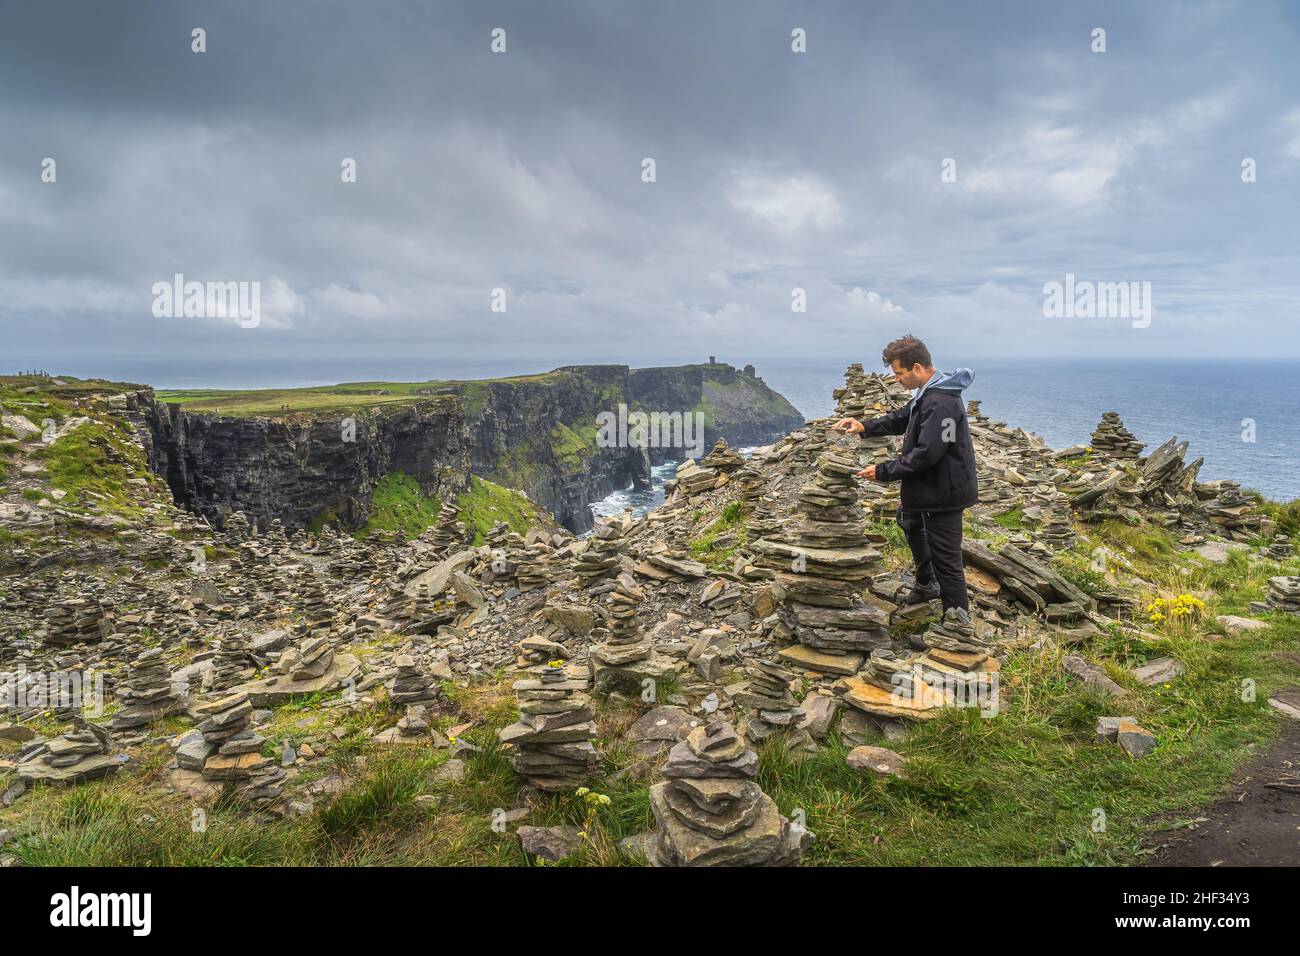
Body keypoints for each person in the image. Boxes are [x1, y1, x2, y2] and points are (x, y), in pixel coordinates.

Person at [834, 334, 977, 636]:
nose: (896, 380)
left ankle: (956, 625)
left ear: (916, 367)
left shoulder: (941, 402)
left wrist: (884, 471)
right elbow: (905, 417)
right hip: (931, 488)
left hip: (944, 494)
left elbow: (927, 454)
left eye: (899, 374)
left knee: (947, 558)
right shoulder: (930, 392)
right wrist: (865, 426)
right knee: (909, 519)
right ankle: (927, 583)